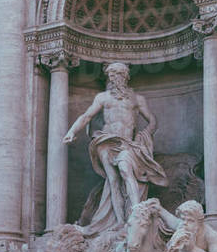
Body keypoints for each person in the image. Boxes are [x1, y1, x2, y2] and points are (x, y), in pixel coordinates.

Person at [64, 62, 167, 234]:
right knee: (112, 180)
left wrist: (145, 135)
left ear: (125, 76)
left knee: (126, 169)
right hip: (106, 141)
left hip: (126, 143)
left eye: (116, 74)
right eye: (110, 75)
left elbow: (152, 119)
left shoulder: (136, 99)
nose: (113, 78)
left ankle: (136, 213)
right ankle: (120, 221)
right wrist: (72, 131)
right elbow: (87, 116)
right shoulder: (103, 97)